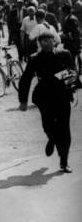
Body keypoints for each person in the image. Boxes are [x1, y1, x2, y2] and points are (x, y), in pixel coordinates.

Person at [18, 29, 79, 173]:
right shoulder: (35, 59)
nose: (46, 43)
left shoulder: (65, 54)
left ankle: (64, 162)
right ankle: (52, 139)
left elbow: (74, 72)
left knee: (64, 129)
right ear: (39, 43)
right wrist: (23, 101)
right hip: (44, 97)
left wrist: (63, 81)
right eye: (42, 41)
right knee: (48, 125)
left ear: (54, 41)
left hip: (62, 96)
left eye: (49, 40)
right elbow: (26, 79)